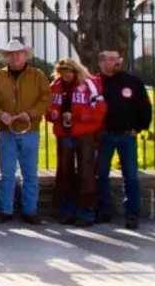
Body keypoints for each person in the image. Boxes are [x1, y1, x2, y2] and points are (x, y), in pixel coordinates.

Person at [0, 39, 51, 224]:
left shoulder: (37, 75)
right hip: (6, 131)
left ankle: (30, 210)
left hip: (30, 130)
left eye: (19, 53)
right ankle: (6, 210)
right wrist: (0, 114)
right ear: (6, 57)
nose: (15, 57)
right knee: (6, 173)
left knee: (30, 173)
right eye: (11, 54)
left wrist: (31, 114)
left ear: (25, 55)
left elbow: (46, 99)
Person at [46, 58, 107, 227]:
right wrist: (54, 114)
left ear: (75, 71)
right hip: (63, 133)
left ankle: (87, 211)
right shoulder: (55, 86)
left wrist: (77, 116)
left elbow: (100, 109)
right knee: (65, 172)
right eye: (61, 74)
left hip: (85, 133)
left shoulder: (90, 84)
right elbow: (49, 108)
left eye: (68, 73)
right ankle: (67, 210)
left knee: (86, 172)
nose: (65, 77)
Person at [95, 50, 152, 230]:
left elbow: (145, 107)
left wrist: (138, 128)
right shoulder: (95, 83)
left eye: (117, 58)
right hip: (104, 135)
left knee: (131, 175)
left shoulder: (132, 82)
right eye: (111, 59)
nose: (116, 62)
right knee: (100, 174)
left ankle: (132, 213)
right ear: (102, 63)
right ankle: (104, 210)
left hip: (127, 135)